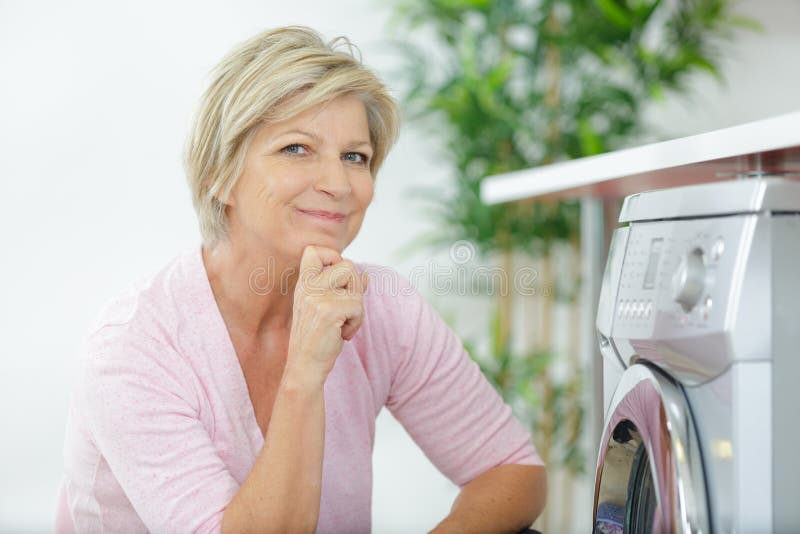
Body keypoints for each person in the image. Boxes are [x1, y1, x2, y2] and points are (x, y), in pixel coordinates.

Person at [56, 26, 546, 533]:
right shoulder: (133, 349)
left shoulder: (383, 307)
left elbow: (511, 469)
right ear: (219, 175)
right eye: (296, 149)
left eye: (355, 157)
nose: (337, 184)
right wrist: (305, 373)